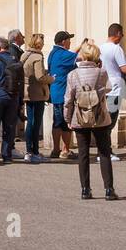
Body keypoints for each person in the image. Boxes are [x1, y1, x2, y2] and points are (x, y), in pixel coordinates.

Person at [64, 40, 118, 200]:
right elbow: (108, 89)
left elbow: (68, 99)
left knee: (83, 154)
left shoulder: (73, 74)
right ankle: (109, 189)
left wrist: (68, 118)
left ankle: (85, 189)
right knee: (104, 152)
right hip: (99, 116)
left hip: (79, 117)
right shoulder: (102, 73)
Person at [98, 23, 126, 162]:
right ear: (117, 34)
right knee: (109, 123)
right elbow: (125, 69)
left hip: (102, 88)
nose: (122, 37)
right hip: (114, 89)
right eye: (122, 34)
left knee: (103, 121)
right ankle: (106, 152)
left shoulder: (100, 48)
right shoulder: (117, 49)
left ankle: (103, 150)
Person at [21, 33, 52, 163]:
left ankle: (29, 151)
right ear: (39, 44)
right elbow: (40, 77)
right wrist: (51, 79)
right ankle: (33, 151)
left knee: (31, 121)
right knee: (35, 122)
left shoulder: (25, 55)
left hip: (27, 91)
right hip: (37, 92)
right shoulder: (37, 57)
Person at [48, 31, 79, 159]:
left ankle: (56, 149)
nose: (70, 42)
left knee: (56, 122)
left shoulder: (52, 53)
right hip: (63, 93)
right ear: (63, 42)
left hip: (55, 92)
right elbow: (79, 58)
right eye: (68, 40)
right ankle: (65, 150)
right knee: (66, 122)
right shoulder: (64, 54)